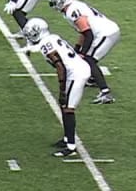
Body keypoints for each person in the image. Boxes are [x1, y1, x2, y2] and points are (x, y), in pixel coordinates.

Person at [22, 18, 91, 159]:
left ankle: (71, 147)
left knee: (67, 107)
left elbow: (60, 66)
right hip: (76, 69)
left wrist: (62, 89)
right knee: (64, 106)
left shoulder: (46, 44)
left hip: (76, 73)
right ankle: (67, 138)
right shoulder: (52, 37)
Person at [48, 0, 117, 103]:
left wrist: (82, 53)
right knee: (86, 58)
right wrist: (77, 48)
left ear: (61, 0)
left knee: (89, 59)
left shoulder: (72, 11)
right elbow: (83, 32)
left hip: (105, 33)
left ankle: (106, 93)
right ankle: (94, 79)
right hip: (103, 32)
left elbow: (88, 34)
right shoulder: (73, 7)